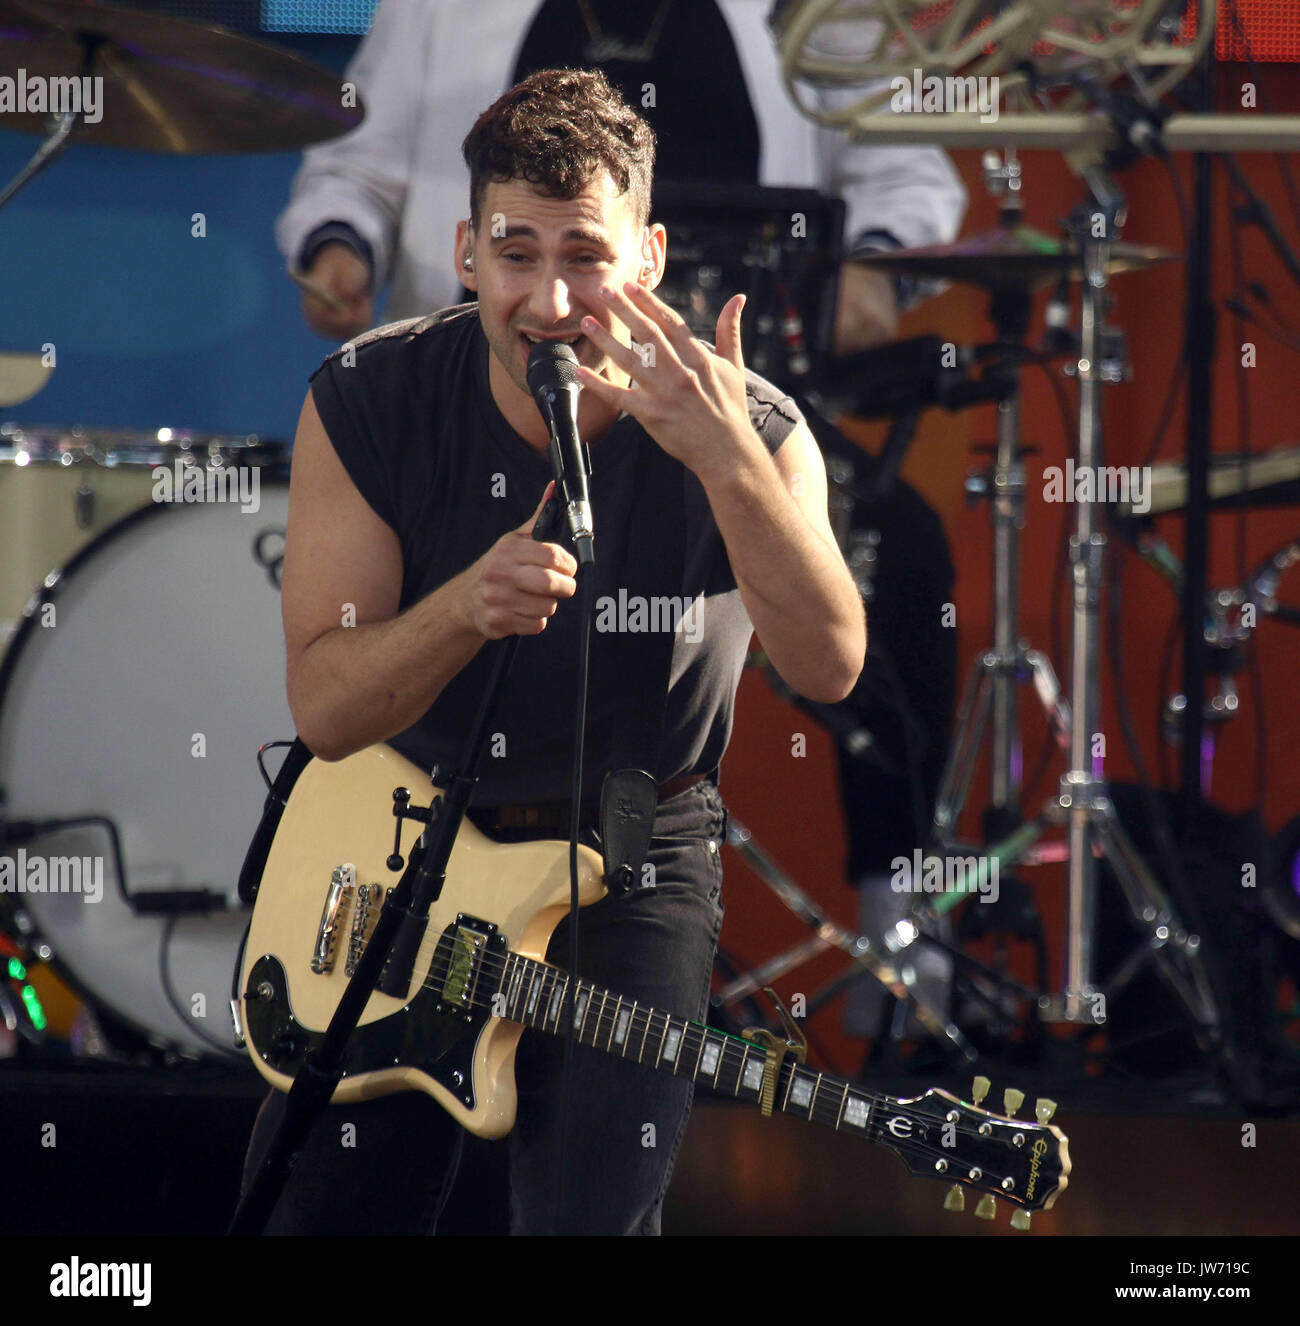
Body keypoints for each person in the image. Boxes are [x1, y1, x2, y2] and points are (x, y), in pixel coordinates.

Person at [240, 67, 864, 1236]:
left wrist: (728, 469)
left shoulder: (758, 430)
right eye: (515, 252)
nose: (546, 297)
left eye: (583, 254)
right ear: (466, 251)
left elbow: (830, 665)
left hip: (631, 856)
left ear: (651, 258)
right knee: (323, 1211)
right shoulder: (368, 396)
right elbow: (325, 710)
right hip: (400, 839)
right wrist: (463, 607)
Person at [277, 0, 966, 354]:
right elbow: (357, 169)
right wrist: (341, 248)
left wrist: (876, 270)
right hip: (478, 382)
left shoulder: (817, 13)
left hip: (730, 387)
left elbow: (907, 172)